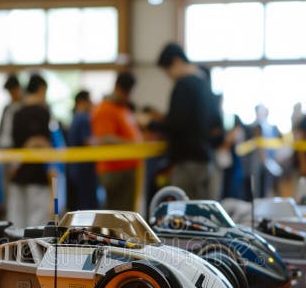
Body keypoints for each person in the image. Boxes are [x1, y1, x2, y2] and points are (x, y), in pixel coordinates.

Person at [157, 43, 215, 199]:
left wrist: (151, 124)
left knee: (183, 210)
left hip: (187, 161)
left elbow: (176, 123)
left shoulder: (183, 84)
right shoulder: (204, 82)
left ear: (176, 62)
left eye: (167, 71)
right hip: (205, 158)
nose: (169, 76)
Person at [92, 72, 143, 210]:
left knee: (126, 211)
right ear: (118, 88)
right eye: (126, 92)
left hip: (128, 169)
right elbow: (105, 138)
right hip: (115, 171)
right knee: (118, 213)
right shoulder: (105, 109)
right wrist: (133, 145)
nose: (128, 96)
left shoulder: (122, 108)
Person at [8, 73, 53, 228]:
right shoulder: (43, 112)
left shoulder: (16, 112)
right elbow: (42, 142)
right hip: (36, 174)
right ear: (41, 89)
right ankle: (33, 251)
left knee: (17, 218)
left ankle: (16, 250)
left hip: (18, 171)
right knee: (37, 220)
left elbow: (12, 143)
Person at [66, 90, 98, 210]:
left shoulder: (74, 118)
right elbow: (88, 141)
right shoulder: (83, 118)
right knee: (87, 206)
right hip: (84, 170)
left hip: (75, 169)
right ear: (82, 102)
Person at [0, 74, 22, 149]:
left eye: (12, 91)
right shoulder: (7, 108)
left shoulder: (24, 107)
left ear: (18, 89)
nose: (11, 94)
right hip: (2, 145)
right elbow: (2, 129)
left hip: (16, 146)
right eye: (9, 92)